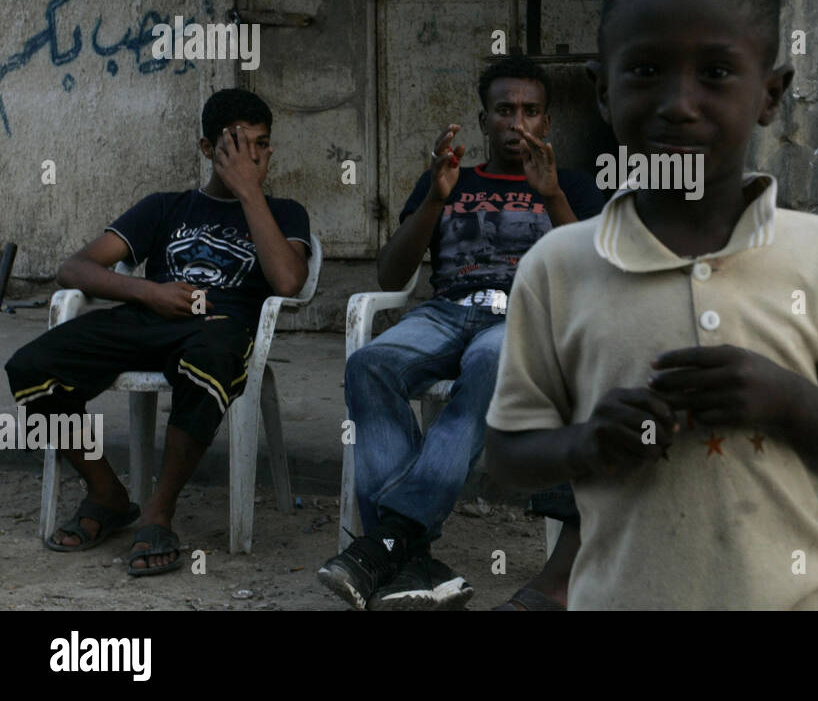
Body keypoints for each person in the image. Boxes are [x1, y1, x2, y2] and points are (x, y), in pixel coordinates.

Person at [483, 0, 818, 610]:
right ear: (602, 88)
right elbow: (508, 455)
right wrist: (588, 441)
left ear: (770, 94)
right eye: (647, 70)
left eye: (716, 72)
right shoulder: (559, 265)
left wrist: (785, 398)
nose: (679, 103)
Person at [319, 56, 604, 611]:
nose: (517, 123)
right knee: (368, 364)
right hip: (445, 312)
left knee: (489, 364)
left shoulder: (573, 186)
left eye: (530, 111)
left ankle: (388, 543)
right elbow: (392, 275)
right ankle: (410, 555)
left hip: (523, 317)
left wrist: (551, 197)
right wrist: (433, 198)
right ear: (483, 121)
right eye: (504, 111)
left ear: (547, 123)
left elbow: (594, 276)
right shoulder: (451, 180)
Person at [5, 88, 311, 575]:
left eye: (262, 144)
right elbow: (75, 269)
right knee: (28, 367)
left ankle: (158, 511)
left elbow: (289, 281)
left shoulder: (286, 213)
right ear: (210, 150)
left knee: (210, 359)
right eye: (238, 145)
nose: (253, 156)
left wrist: (250, 192)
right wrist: (151, 293)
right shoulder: (166, 207)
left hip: (218, 329)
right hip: (149, 317)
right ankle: (105, 493)